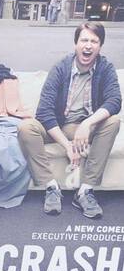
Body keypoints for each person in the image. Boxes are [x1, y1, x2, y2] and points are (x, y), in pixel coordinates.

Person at [18, 22, 120, 219]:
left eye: (94, 41)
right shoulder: (60, 68)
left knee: (113, 121)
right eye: (84, 40)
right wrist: (66, 145)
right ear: (76, 44)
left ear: (100, 46)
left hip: (82, 128)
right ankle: (51, 186)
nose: (88, 46)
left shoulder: (105, 68)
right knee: (25, 127)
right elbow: (44, 112)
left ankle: (85, 191)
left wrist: (87, 123)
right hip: (56, 127)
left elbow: (114, 101)